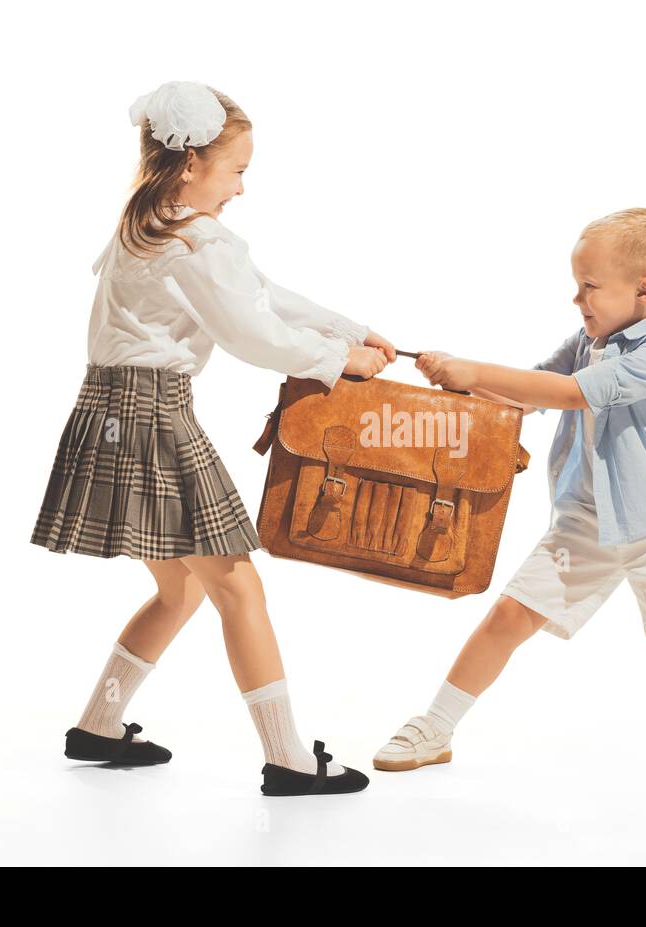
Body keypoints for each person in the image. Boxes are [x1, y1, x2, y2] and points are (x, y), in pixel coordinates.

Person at [31, 80, 392, 796]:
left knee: (181, 589)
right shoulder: (195, 239)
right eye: (237, 170)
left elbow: (258, 293)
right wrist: (338, 359)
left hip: (107, 411)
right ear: (192, 162)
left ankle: (98, 726)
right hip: (151, 416)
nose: (241, 188)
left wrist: (346, 329)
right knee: (237, 587)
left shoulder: (148, 222)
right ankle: (289, 759)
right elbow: (250, 330)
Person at [374, 208, 646, 810]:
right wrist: (458, 379)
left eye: (589, 286)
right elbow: (526, 394)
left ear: (645, 290)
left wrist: (474, 369)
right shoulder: (589, 342)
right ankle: (435, 727)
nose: (576, 298)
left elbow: (570, 394)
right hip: (586, 519)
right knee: (509, 616)